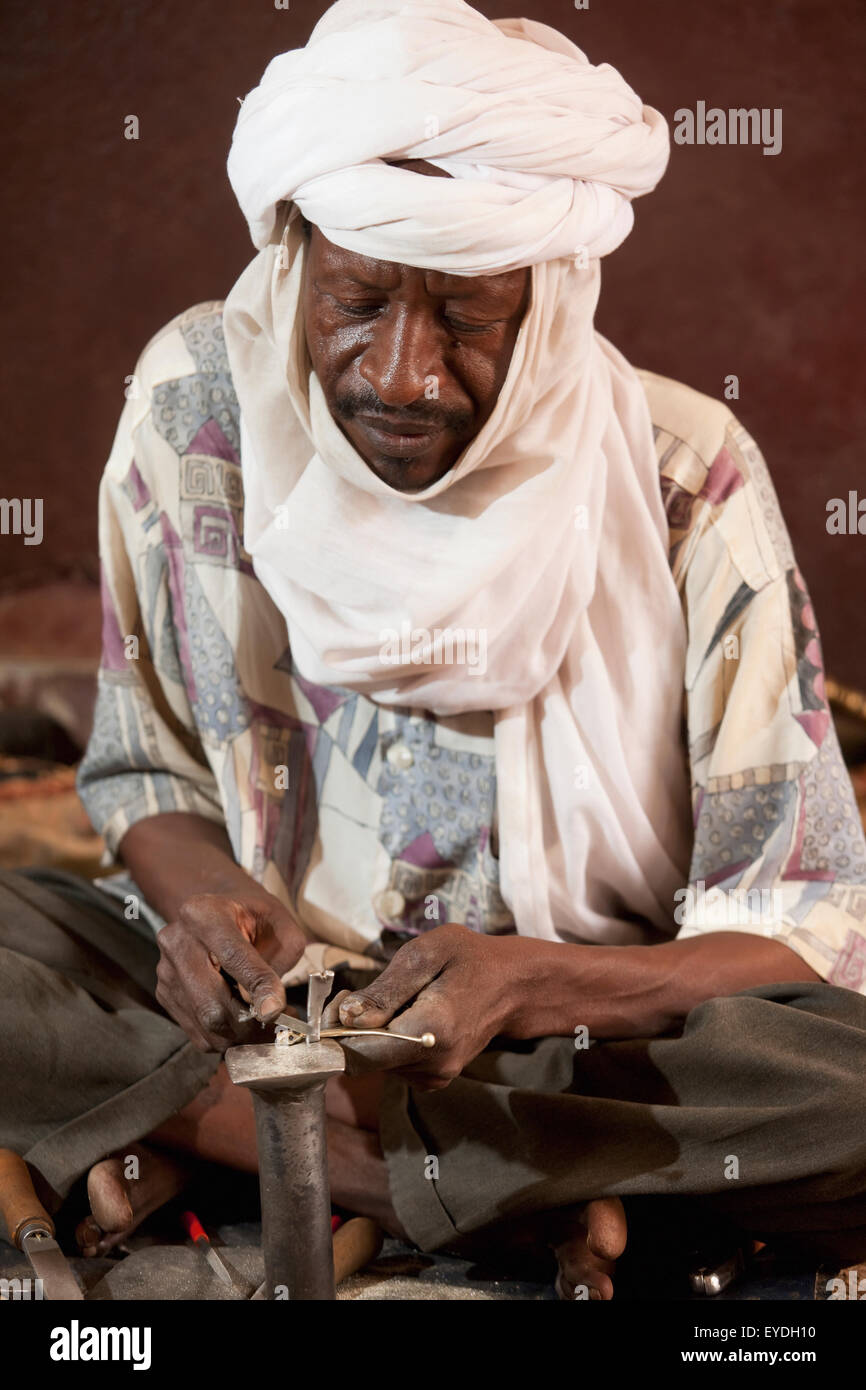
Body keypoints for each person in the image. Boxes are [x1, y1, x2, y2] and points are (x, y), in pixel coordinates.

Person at [2, 0, 865, 1301]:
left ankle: (289, 1145)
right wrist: (194, 904)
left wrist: (538, 980)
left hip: (580, 1031)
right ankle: (479, 1181)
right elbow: (148, 772)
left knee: (834, 1075)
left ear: (554, 299)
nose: (401, 374)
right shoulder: (198, 409)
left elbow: (794, 919)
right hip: (266, 1024)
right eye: (358, 301)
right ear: (294, 259)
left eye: (467, 316)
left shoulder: (683, 471)